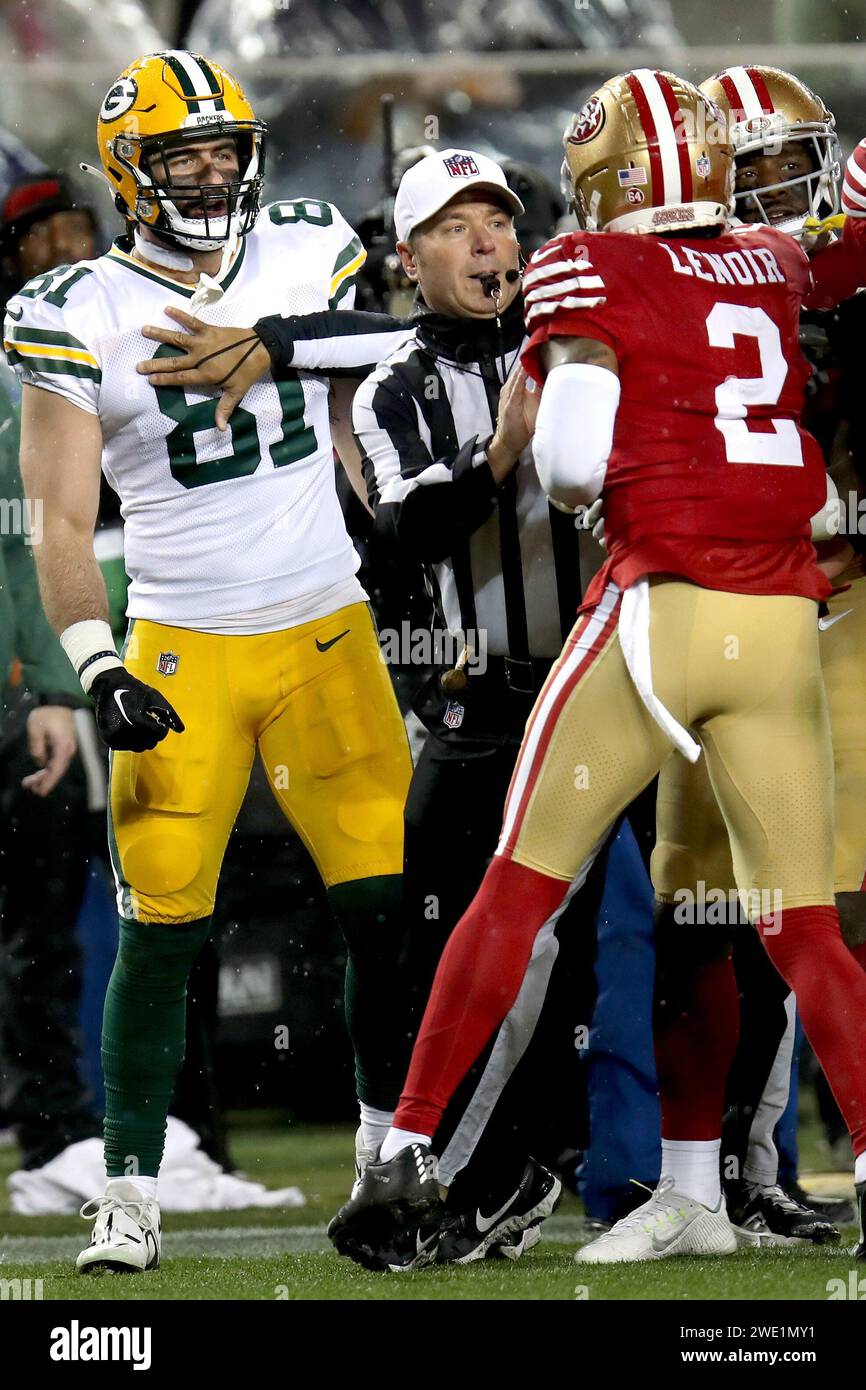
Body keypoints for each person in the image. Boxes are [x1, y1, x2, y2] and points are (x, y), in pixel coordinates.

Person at [327, 67, 866, 1271]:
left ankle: (408, 1148)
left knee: (516, 893)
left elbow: (569, 469)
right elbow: (831, 256)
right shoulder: (769, 266)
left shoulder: (590, 269)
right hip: (777, 621)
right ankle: (718, 1182)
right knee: (793, 929)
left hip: (654, 615)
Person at [8, 48, 415, 1275]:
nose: (207, 172)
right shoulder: (78, 308)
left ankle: (387, 1153)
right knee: (163, 923)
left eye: (222, 149)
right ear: (134, 174)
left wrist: (275, 346)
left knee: (384, 917)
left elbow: (391, 344)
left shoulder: (305, 243)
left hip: (327, 627)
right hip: (183, 641)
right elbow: (63, 525)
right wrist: (96, 661)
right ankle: (127, 1186)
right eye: (179, 156)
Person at [650, 64, 866, 1247]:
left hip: (816, 606)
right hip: (724, 604)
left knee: (807, 908)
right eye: (760, 170)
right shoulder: (681, 273)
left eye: (799, 162)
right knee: (718, 908)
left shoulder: (828, 270)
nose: (789, 191)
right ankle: (712, 1168)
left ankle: (751, 1160)